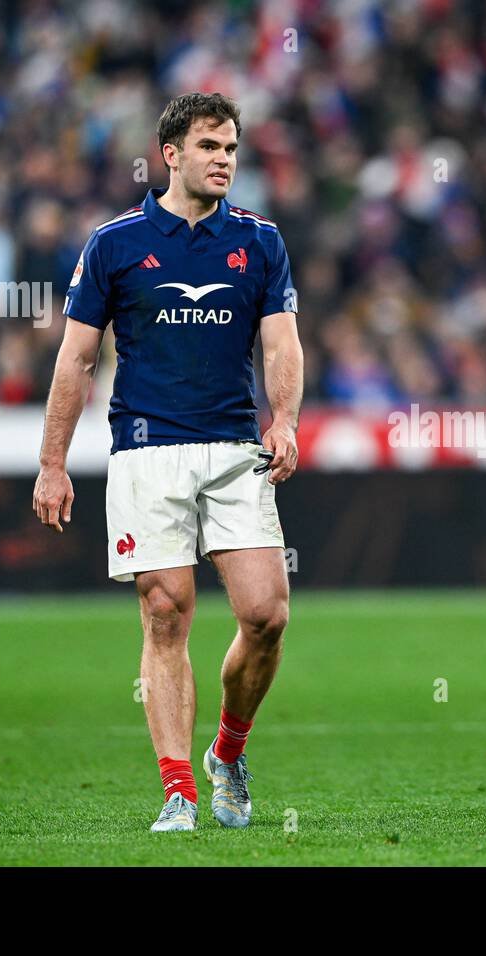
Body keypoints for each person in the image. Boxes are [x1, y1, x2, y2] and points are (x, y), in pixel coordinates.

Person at [32, 92, 303, 832]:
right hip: (148, 451)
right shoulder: (115, 243)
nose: (225, 160)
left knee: (266, 614)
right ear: (171, 154)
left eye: (233, 147)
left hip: (232, 448)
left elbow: (280, 343)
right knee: (164, 612)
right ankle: (179, 790)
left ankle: (228, 751)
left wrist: (286, 419)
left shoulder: (261, 241)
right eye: (211, 146)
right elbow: (76, 359)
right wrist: (52, 463)